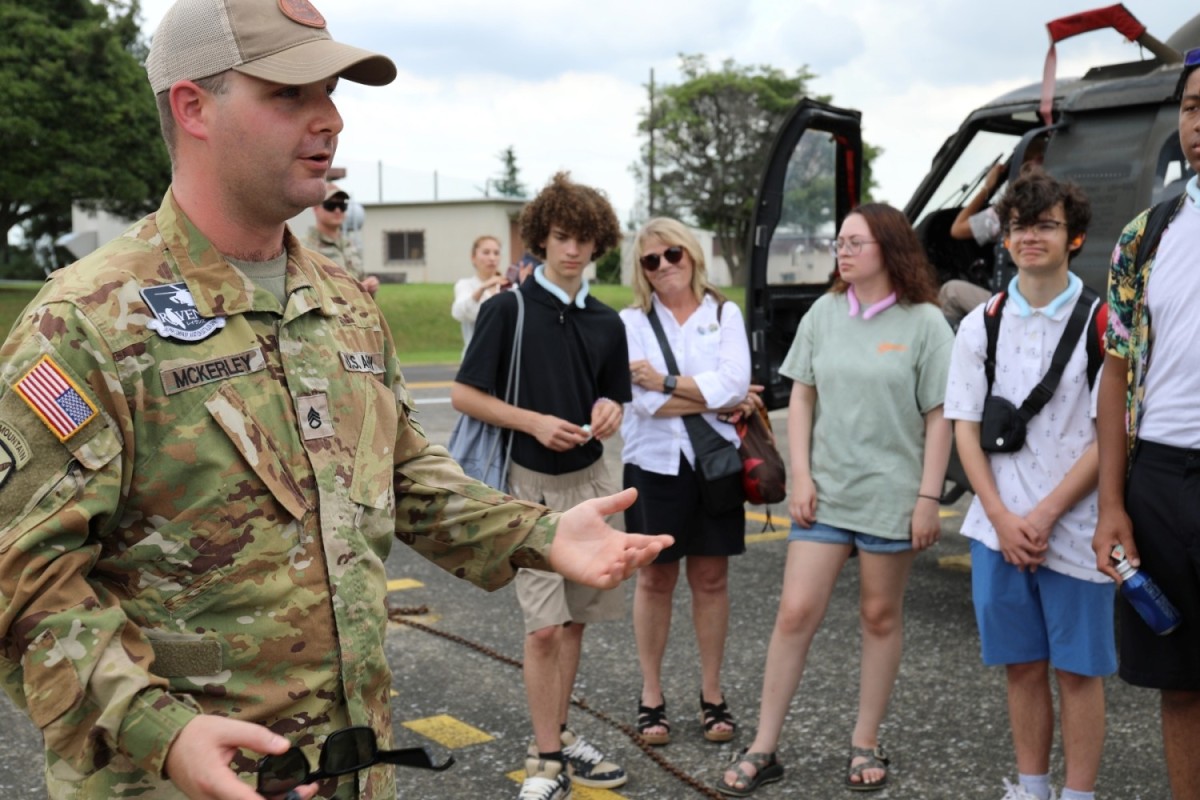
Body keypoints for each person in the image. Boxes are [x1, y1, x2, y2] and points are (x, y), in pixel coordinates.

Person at [0, 3, 672, 799]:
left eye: (330, 91)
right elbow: (23, 580)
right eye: (290, 94)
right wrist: (163, 731)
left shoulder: (343, 302)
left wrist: (537, 531)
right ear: (193, 107)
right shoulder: (85, 322)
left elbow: (404, 473)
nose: (331, 119)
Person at [717, 203, 952, 796]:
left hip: (893, 495)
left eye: (855, 243)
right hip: (827, 492)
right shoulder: (823, 312)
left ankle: (865, 742)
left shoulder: (925, 322)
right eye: (839, 242)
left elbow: (940, 416)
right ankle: (764, 746)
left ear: (889, 249)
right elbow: (801, 398)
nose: (841, 252)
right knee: (795, 613)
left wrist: (929, 496)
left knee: (879, 616)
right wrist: (802, 476)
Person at [450, 172, 631, 800]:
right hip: (526, 486)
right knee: (544, 627)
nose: (572, 250)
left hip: (592, 483)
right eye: (561, 237)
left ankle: (554, 731)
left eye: (583, 239)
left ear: (598, 244)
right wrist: (531, 421)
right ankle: (547, 757)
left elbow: (614, 396)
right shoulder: (508, 308)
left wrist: (610, 410)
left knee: (575, 621)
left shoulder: (609, 322)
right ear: (541, 238)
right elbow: (463, 394)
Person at [945, 169, 1113, 800]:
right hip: (997, 528)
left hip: (1077, 526)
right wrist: (1002, 515)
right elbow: (963, 427)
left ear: (1075, 237)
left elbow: (1109, 435)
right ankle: (1032, 787)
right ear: (1006, 239)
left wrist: (1042, 515)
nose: (1030, 237)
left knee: (1079, 672)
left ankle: (1079, 794)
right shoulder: (979, 324)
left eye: (1046, 225)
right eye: (1019, 227)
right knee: (1022, 666)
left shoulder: (1103, 322)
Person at [1092, 48, 1200, 800]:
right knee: (1181, 679)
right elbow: (1116, 372)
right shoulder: (1146, 237)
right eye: (1194, 108)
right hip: (1162, 478)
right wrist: (1110, 503)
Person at [619, 218, 754, 748]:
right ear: (642, 271)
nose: (664, 266)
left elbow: (736, 383)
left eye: (672, 253)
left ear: (692, 254)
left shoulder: (724, 312)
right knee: (655, 580)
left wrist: (671, 382)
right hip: (653, 465)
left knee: (712, 579)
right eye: (651, 260)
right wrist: (713, 395)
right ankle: (651, 695)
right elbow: (645, 404)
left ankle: (712, 693)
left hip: (713, 464)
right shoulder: (630, 322)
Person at [941, 136, 1049, 325]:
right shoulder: (1061, 209)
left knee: (950, 292)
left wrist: (987, 187)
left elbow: (957, 229)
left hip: (1015, 307)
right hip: (1039, 302)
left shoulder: (1008, 213)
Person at [305, 182, 379, 295]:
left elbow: (360, 279)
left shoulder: (348, 244)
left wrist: (370, 285)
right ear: (315, 208)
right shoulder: (305, 249)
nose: (337, 210)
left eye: (342, 205)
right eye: (330, 205)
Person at [451, 235, 505, 352]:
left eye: (496, 253)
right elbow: (459, 312)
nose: (492, 258)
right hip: (476, 355)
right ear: (473, 257)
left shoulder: (509, 287)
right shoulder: (465, 285)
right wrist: (482, 289)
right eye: (486, 252)